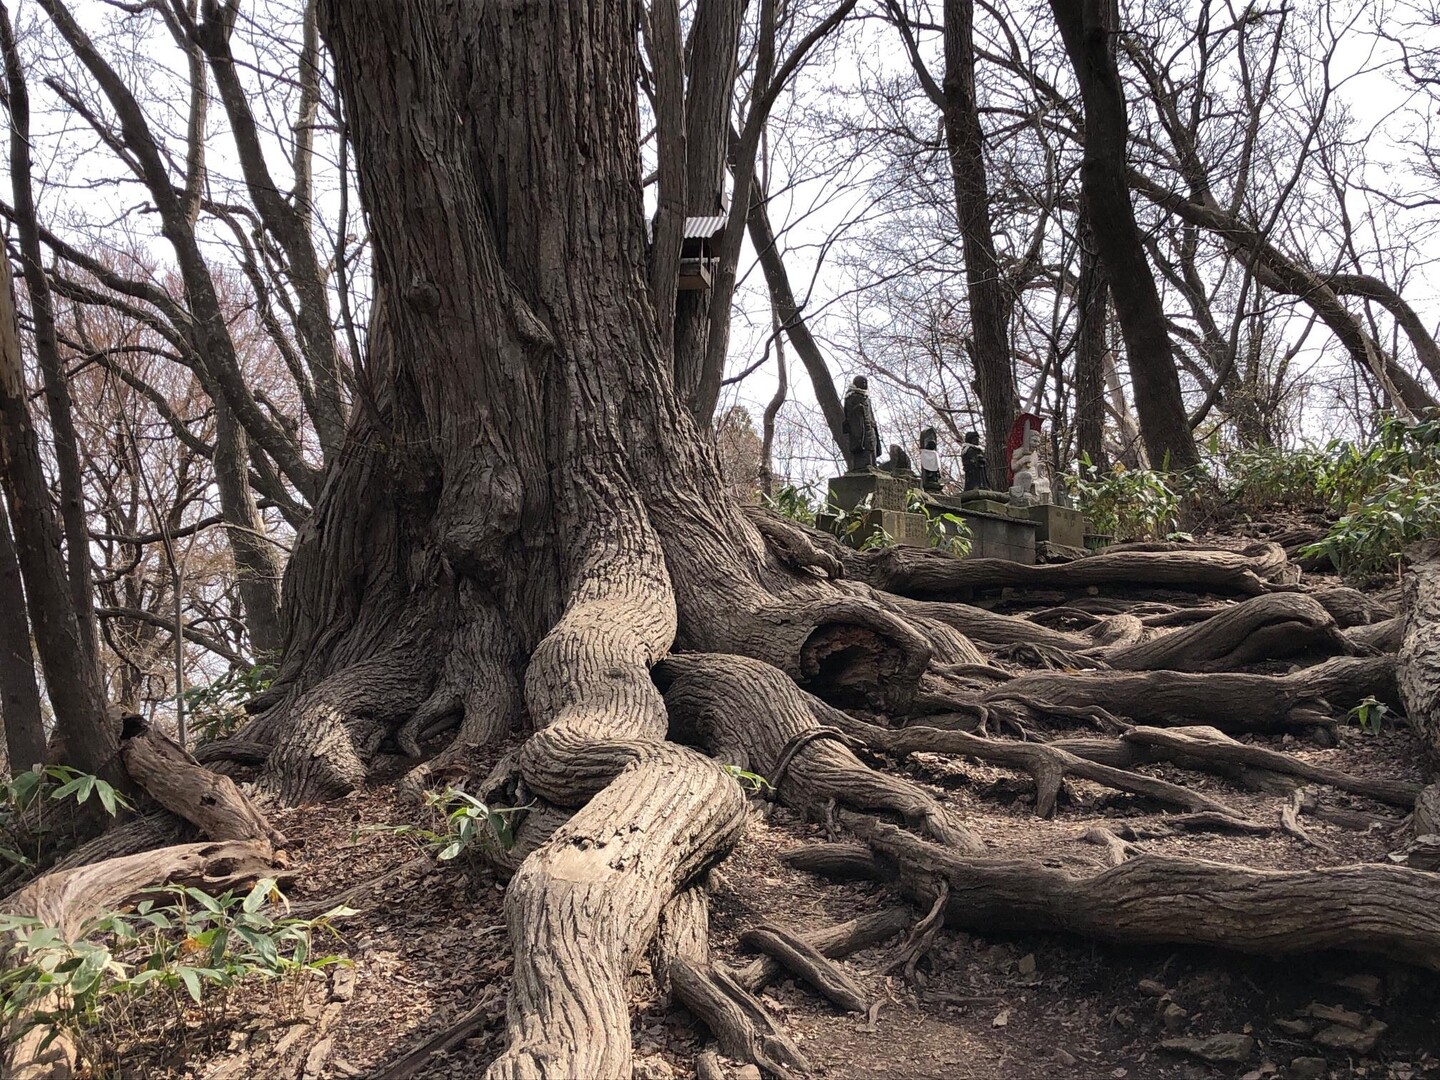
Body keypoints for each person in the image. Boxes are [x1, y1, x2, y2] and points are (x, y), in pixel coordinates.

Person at [841, 376, 880, 469]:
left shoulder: (867, 398)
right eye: (862, 382)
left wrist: (873, 424)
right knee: (863, 446)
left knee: (872, 445)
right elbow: (849, 416)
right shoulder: (851, 397)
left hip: (870, 427)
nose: (865, 384)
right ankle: (864, 465)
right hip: (859, 428)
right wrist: (858, 410)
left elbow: (870, 414)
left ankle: (873, 464)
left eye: (866, 382)